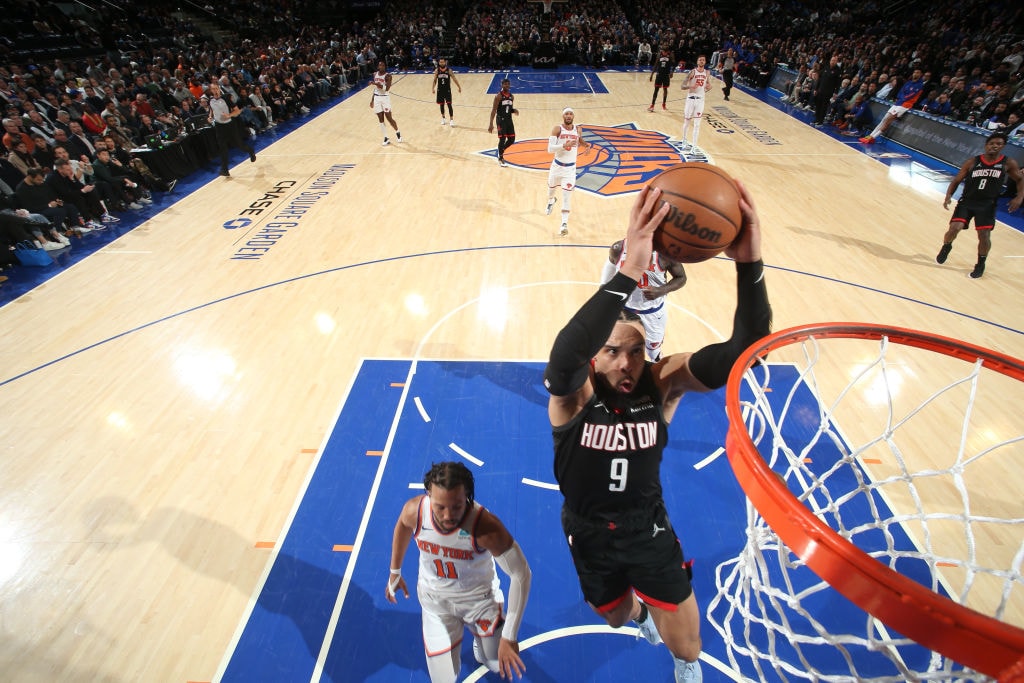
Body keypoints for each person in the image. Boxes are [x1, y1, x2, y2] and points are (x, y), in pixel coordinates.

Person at [543, 181, 771, 683]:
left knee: (688, 645)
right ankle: (641, 616)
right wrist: (626, 271)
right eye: (611, 351)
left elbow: (749, 349)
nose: (626, 362)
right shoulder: (573, 397)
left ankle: (683, 667)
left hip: (647, 527)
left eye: (636, 350)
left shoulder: (663, 383)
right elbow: (563, 356)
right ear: (592, 357)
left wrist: (748, 260)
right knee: (617, 615)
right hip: (587, 530)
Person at [387, 461, 531, 683]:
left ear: (468, 497)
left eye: (456, 506)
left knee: (494, 663)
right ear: (428, 496)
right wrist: (394, 571)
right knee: (443, 679)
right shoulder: (415, 511)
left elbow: (522, 574)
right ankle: (480, 637)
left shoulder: (485, 527)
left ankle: (482, 641)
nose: (447, 516)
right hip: (436, 601)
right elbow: (402, 526)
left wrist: (510, 636)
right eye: (440, 507)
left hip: (479, 601)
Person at [935, 131, 1024, 278]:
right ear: (986, 145)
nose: (995, 146)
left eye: (999, 144)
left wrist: (1019, 197)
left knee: (984, 235)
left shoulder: (1008, 163)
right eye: (992, 143)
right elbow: (957, 180)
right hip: (967, 201)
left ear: (1003, 146)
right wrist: (948, 195)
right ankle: (946, 246)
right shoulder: (973, 161)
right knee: (954, 229)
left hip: (987, 205)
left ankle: (981, 263)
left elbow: (1020, 180)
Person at [599, 239, 687, 361]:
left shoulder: (665, 254)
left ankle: (655, 371)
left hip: (653, 313)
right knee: (619, 346)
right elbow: (604, 283)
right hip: (625, 311)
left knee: (653, 351)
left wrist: (661, 290)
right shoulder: (618, 249)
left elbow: (681, 278)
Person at [545, 107, 591, 237]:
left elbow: (578, 140)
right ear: (563, 116)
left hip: (570, 169)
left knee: (566, 197)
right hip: (557, 166)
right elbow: (550, 149)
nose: (569, 116)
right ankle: (551, 200)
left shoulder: (578, 129)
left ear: (573, 116)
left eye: (571, 114)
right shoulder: (557, 129)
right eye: (566, 114)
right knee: (551, 191)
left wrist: (586, 145)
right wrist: (564, 145)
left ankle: (564, 224)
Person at [859, 68, 926, 144]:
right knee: (884, 119)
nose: (915, 74)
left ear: (920, 75)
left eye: (917, 72)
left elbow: (912, 95)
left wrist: (903, 98)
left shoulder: (920, 85)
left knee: (888, 121)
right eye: (914, 72)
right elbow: (901, 91)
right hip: (898, 103)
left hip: (905, 105)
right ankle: (870, 136)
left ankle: (873, 137)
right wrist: (901, 97)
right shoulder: (908, 82)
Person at [207, 82, 257, 177]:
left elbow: (237, 111)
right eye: (213, 89)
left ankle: (250, 151)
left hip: (229, 125)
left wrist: (229, 115)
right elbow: (211, 109)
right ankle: (225, 170)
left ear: (219, 89)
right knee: (223, 148)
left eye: (216, 88)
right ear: (211, 91)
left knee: (239, 145)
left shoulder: (226, 98)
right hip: (219, 126)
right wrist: (209, 117)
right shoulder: (211, 100)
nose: (215, 90)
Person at [680, 56, 713, 149]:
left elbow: (708, 84)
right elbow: (682, 86)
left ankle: (694, 146)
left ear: (705, 62)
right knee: (687, 121)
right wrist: (691, 87)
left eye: (703, 60)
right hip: (690, 99)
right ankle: (684, 139)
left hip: (700, 100)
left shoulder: (707, 72)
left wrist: (708, 87)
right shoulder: (692, 72)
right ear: (697, 61)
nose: (701, 61)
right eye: (700, 60)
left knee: (697, 124)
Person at [370, 61, 402, 146]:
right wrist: (372, 100)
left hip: (385, 98)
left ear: (385, 67)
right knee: (380, 118)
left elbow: (386, 88)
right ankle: (386, 137)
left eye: (382, 65)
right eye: (379, 65)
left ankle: (397, 132)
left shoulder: (388, 76)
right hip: (377, 97)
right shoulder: (375, 74)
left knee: (389, 117)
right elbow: (375, 89)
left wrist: (375, 83)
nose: (381, 66)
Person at [488, 78, 518, 168]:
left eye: (508, 84)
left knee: (512, 139)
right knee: (502, 139)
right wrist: (491, 124)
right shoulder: (498, 96)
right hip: (501, 120)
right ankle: (500, 158)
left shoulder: (511, 96)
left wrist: (514, 110)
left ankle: (500, 150)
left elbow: (508, 109)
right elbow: (494, 110)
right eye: (505, 84)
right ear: (502, 85)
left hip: (509, 120)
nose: (507, 86)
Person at [432, 58, 462, 127]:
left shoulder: (449, 70)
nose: (442, 63)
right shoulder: (437, 70)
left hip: (447, 90)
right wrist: (433, 88)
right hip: (440, 90)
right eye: (440, 62)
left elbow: (454, 78)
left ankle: (451, 120)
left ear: (445, 62)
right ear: (439, 63)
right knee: (441, 105)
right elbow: (434, 80)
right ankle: (443, 118)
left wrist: (459, 87)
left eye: (443, 62)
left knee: (449, 105)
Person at [648, 47, 674, 112]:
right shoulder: (659, 56)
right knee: (656, 90)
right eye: (663, 51)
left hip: (666, 75)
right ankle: (652, 105)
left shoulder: (670, 56)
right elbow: (655, 65)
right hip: (659, 75)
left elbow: (673, 65)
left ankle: (664, 104)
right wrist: (652, 75)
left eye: (665, 51)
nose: (663, 52)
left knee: (665, 89)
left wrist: (672, 72)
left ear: (667, 51)